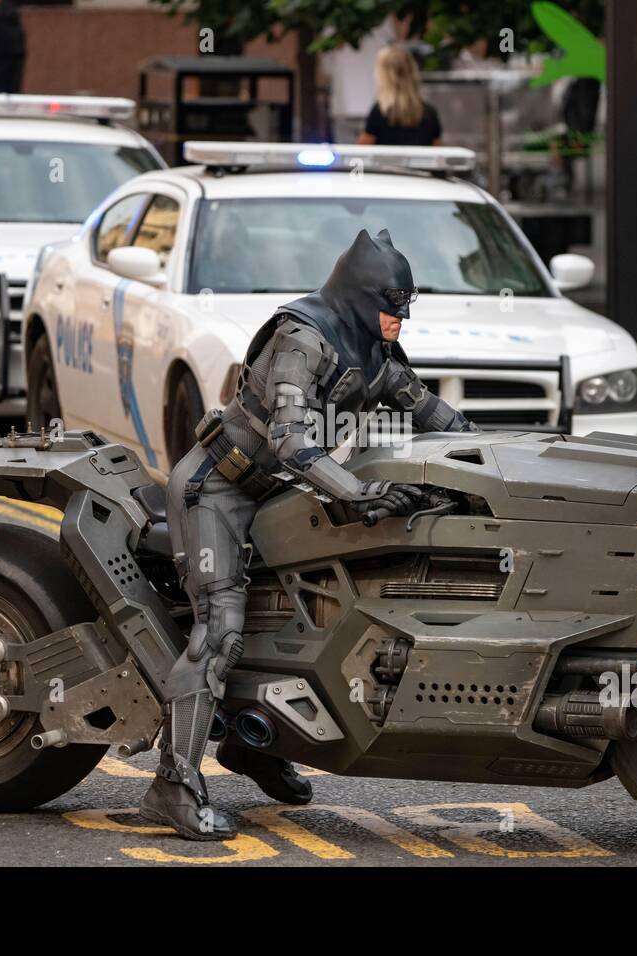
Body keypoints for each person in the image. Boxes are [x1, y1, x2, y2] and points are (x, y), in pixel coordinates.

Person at [139, 229, 476, 840]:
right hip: (220, 487)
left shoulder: (375, 349)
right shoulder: (302, 338)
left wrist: (492, 457)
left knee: (295, 620)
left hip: (281, 492)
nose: (400, 317)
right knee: (222, 629)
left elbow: (431, 413)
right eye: (391, 304)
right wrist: (358, 494)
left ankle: (254, 747)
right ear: (359, 296)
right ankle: (173, 783)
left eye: (406, 305)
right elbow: (290, 441)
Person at [357, 45, 442, 147]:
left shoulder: (380, 111)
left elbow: (362, 149)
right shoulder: (430, 112)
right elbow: (437, 150)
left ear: (384, 76)